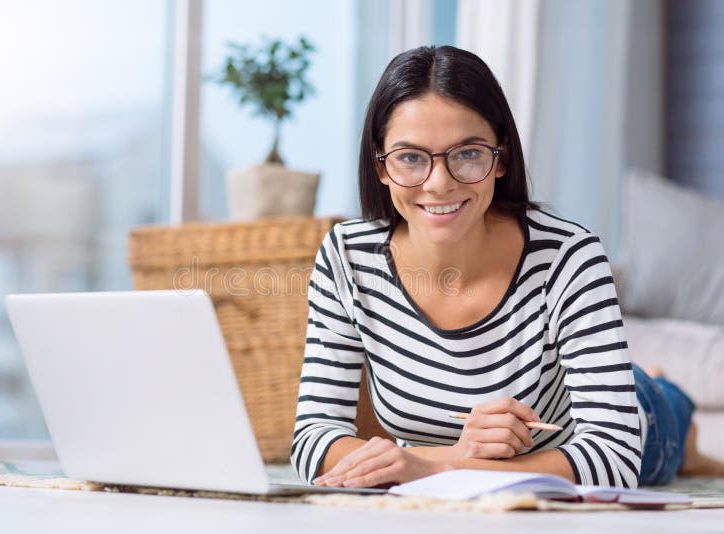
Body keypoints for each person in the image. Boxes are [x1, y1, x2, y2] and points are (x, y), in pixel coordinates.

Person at [290, 45, 724, 489]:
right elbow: (311, 439)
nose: (438, 184)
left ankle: (667, 401)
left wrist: (435, 468)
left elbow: (615, 456)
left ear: (502, 156)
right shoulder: (347, 257)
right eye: (410, 157)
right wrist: (453, 456)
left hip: (634, 429)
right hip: (487, 458)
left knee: (656, 409)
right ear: (380, 165)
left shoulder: (569, 256)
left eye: (467, 154)